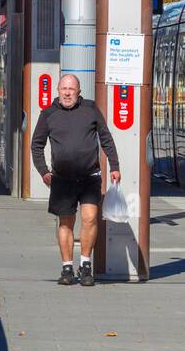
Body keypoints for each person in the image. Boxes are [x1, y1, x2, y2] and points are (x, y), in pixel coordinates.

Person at [31, 74, 121, 287]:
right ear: (58, 90)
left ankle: (86, 264)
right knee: (66, 222)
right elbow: (36, 145)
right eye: (64, 88)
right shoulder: (48, 114)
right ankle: (67, 267)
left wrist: (115, 166)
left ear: (79, 92)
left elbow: (106, 138)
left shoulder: (90, 109)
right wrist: (43, 171)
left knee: (90, 218)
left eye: (72, 89)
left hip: (89, 176)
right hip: (62, 179)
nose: (68, 92)